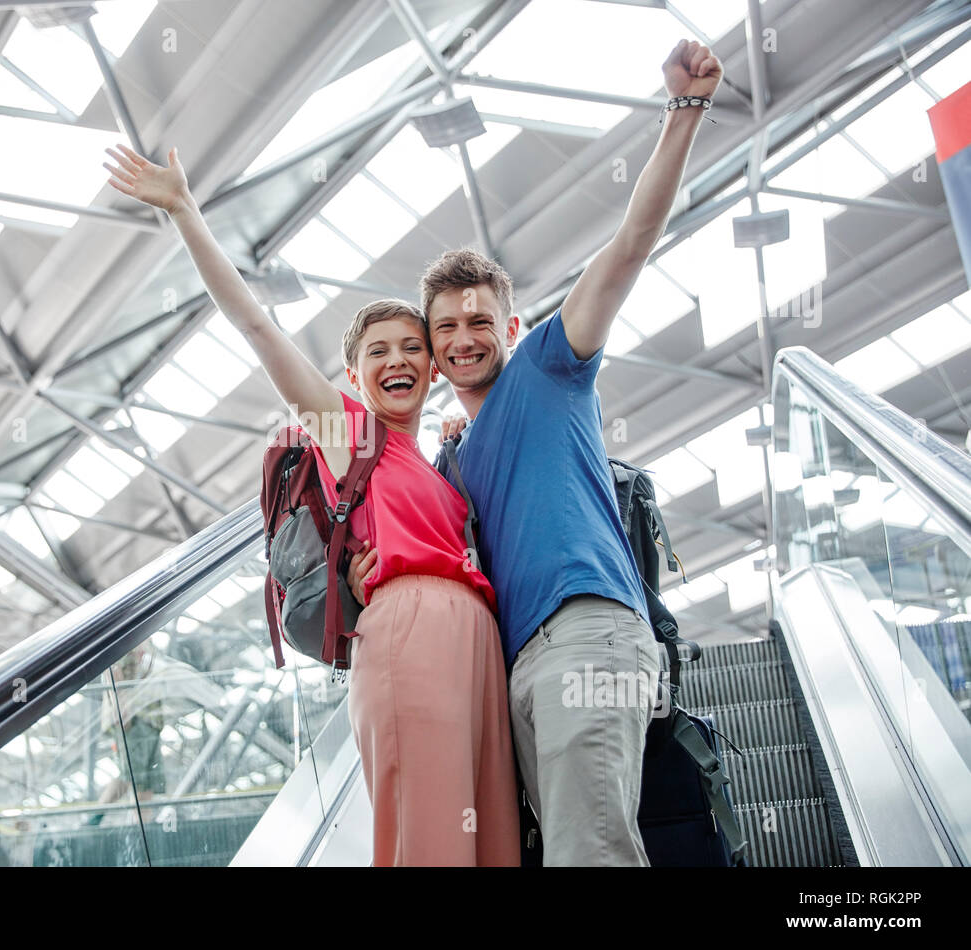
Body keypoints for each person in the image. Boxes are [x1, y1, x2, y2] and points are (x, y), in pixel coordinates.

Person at [349, 39, 724, 865]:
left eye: (481, 320)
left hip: (587, 632)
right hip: (518, 665)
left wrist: (684, 112)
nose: (463, 337)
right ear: (433, 349)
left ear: (511, 327)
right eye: (445, 327)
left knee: (590, 853)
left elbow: (629, 245)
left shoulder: (554, 364)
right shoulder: (452, 464)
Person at [104, 143, 519, 866]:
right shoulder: (347, 433)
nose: (398, 360)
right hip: (409, 629)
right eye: (378, 352)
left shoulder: (444, 463)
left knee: (492, 842)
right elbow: (258, 329)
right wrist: (185, 212)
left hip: (479, 638)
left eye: (412, 347)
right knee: (429, 836)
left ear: (432, 365)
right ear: (351, 377)